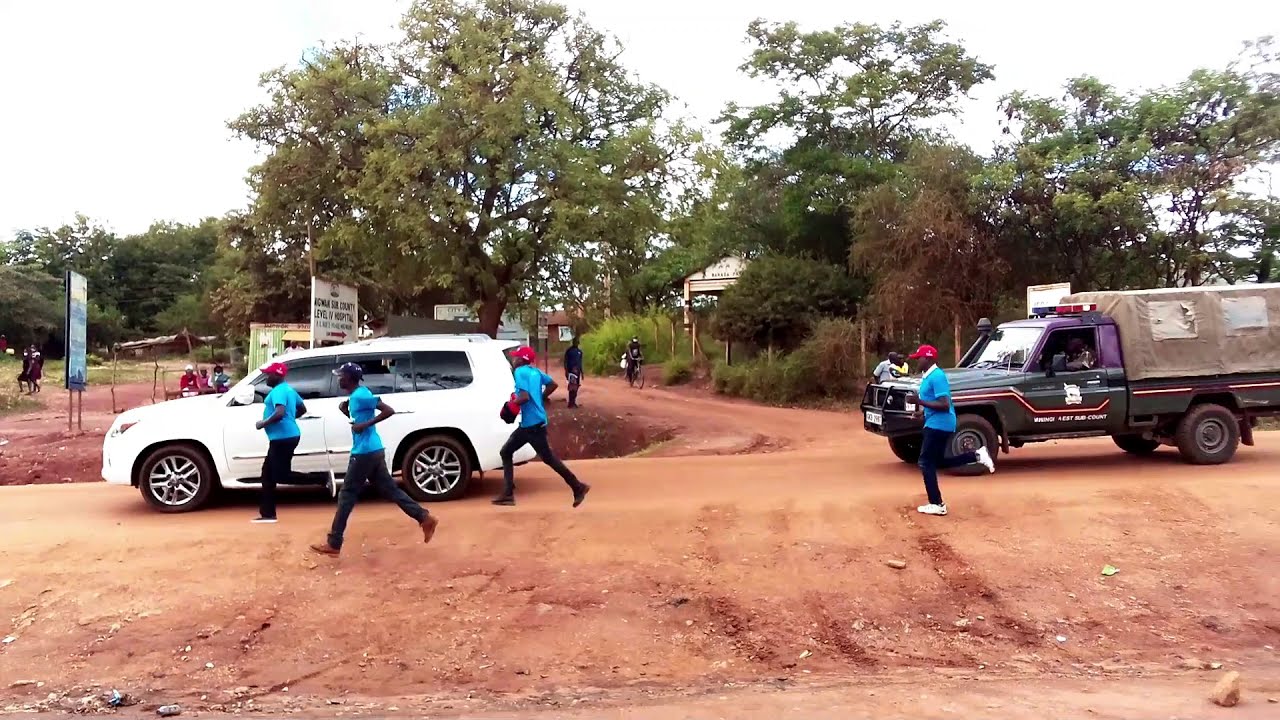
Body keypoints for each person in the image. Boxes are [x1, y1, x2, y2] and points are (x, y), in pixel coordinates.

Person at [310, 363, 438, 556]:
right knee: (390, 490)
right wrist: (346, 410)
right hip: (372, 450)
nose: (338, 379)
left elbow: (388, 410)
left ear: (350, 378)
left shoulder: (362, 395)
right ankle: (424, 517)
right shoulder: (356, 396)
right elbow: (360, 414)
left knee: (346, 495)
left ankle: (334, 543)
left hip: (364, 453)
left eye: (341, 376)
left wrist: (364, 424)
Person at [493, 346, 590, 507]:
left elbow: (524, 397)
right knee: (506, 451)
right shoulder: (535, 372)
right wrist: (541, 398)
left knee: (548, 458)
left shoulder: (520, 372)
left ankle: (578, 487)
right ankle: (507, 493)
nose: (514, 360)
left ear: (521, 360)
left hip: (532, 425)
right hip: (532, 423)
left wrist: (510, 406)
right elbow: (553, 384)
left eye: (516, 357)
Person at [908, 344, 994, 517]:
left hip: (940, 424)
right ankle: (976, 455)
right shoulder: (928, 376)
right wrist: (922, 414)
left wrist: (919, 402)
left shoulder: (937, 376)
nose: (917, 361)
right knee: (938, 461)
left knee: (925, 462)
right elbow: (934, 403)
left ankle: (937, 503)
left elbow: (944, 404)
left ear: (929, 359)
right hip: (935, 422)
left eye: (920, 358)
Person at [252, 362, 306, 524]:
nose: (267, 378)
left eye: (269, 374)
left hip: (283, 438)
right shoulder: (289, 390)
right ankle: (267, 514)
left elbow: (280, 412)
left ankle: (322, 478)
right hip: (286, 436)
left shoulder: (278, 392)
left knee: (280, 474)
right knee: (268, 475)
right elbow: (302, 408)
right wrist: (290, 420)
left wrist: (263, 423)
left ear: (277, 375)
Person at [564, 337, 584, 409]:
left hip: (577, 372)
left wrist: (582, 373)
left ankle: (573, 402)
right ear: (573, 342)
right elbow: (565, 361)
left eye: (577, 342)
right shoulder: (569, 351)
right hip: (571, 372)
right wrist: (566, 371)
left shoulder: (580, 352)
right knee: (572, 387)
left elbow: (580, 363)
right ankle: (570, 403)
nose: (576, 343)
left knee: (576, 387)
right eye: (575, 342)